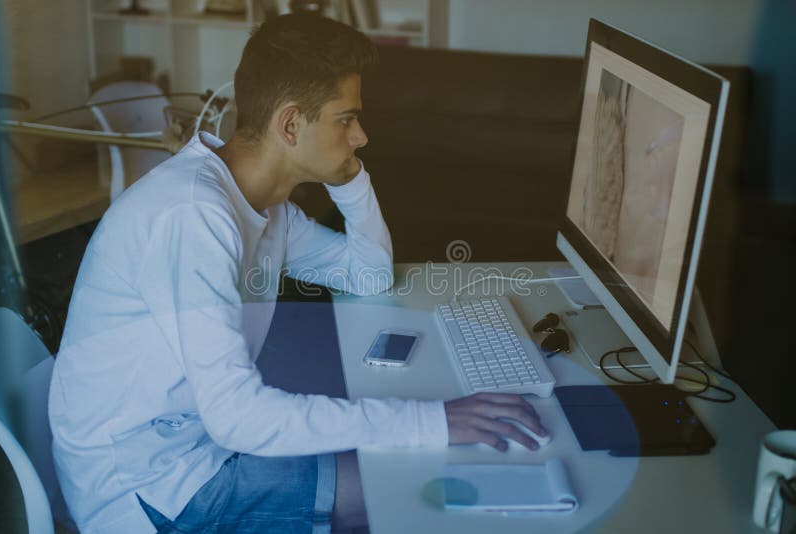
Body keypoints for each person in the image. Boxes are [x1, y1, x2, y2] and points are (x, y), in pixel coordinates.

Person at [49, 14, 547, 533]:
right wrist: (432, 420)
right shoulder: (194, 216)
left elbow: (368, 274)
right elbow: (238, 417)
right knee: (407, 484)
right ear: (290, 125)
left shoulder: (265, 208)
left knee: (409, 462)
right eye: (346, 120)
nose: (361, 136)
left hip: (198, 444)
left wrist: (350, 179)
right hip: (150, 489)